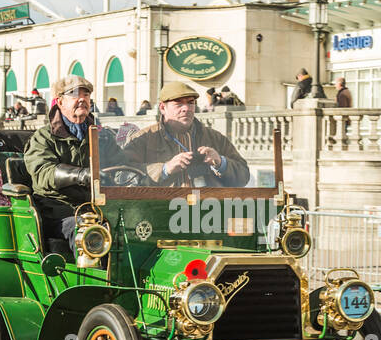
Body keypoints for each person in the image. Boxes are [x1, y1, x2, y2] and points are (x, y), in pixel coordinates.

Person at [24, 74, 133, 253]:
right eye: (74, 94)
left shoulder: (102, 136)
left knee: (136, 226)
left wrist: (130, 177)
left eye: (86, 95)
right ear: (60, 102)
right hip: (58, 211)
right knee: (88, 232)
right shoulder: (43, 137)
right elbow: (44, 172)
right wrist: (82, 175)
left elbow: (121, 164)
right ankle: (93, 279)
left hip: (98, 207)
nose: (82, 99)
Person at [121, 81, 250, 189]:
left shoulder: (214, 138)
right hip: (161, 211)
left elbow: (244, 176)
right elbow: (121, 176)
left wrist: (220, 163)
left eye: (190, 102)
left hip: (206, 211)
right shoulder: (143, 138)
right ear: (162, 108)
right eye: (178, 104)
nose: (186, 108)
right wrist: (165, 169)